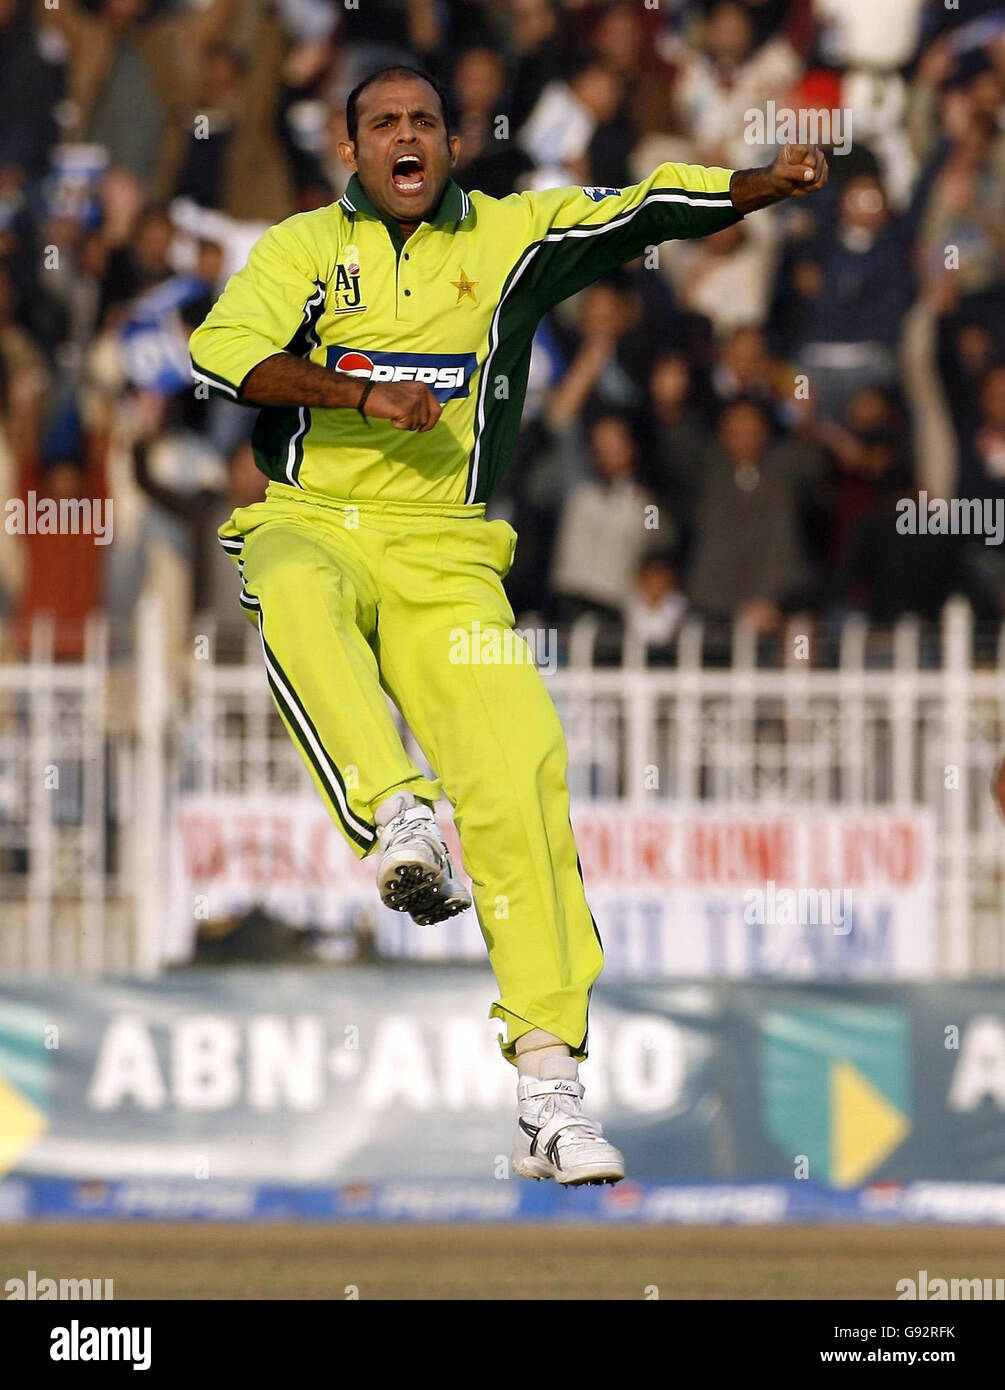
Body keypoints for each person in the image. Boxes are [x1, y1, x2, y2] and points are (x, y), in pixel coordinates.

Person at [189, 64, 827, 1186]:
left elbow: (638, 206)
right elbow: (223, 353)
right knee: (288, 587)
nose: (404, 137)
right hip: (317, 518)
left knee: (523, 770)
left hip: (448, 550)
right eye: (381, 123)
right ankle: (397, 815)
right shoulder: (300, 250)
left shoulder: (513, 238)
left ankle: (548, 1090)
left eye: (423, 122)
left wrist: (753, 186)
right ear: (350, 151)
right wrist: (357, 393)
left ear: (453, 143)